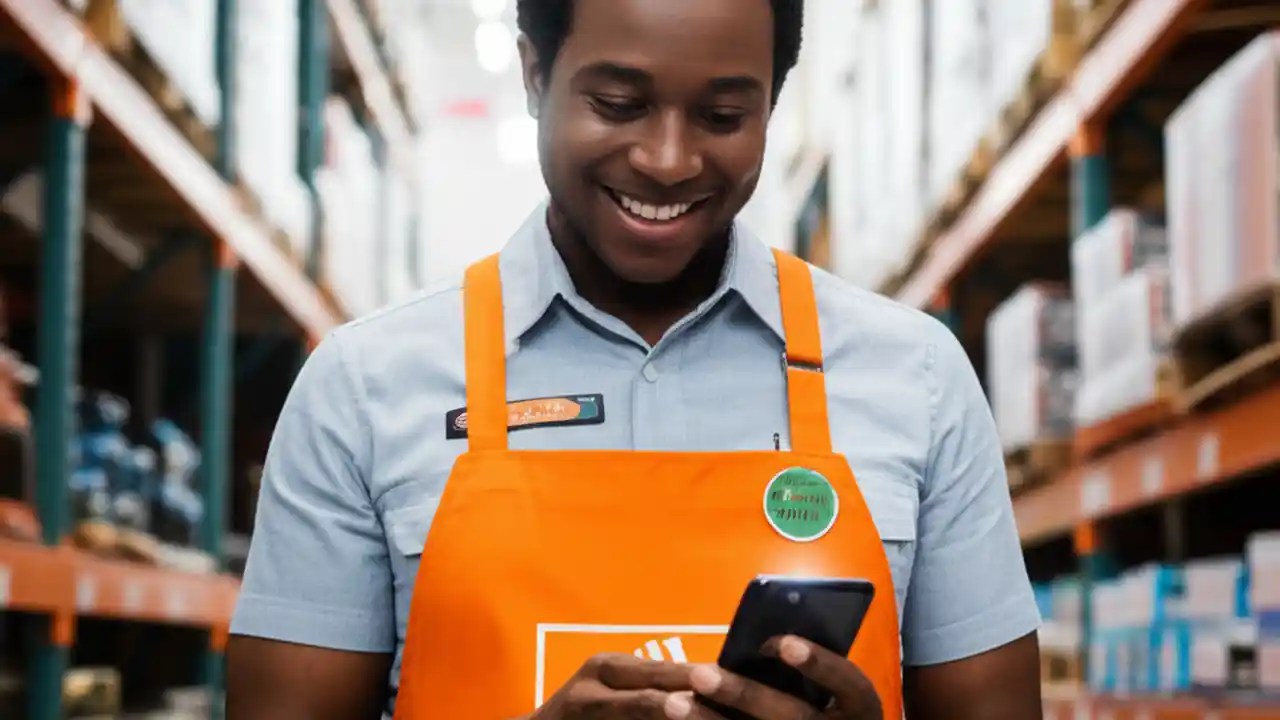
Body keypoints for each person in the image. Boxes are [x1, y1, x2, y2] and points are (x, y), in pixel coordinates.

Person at [226, 0, 1043, 717]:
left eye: (723, 115)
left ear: (771, 104)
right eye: (619, 105)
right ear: (535, 74)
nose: (667, 160)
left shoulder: (916, 379)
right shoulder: (363, 390)